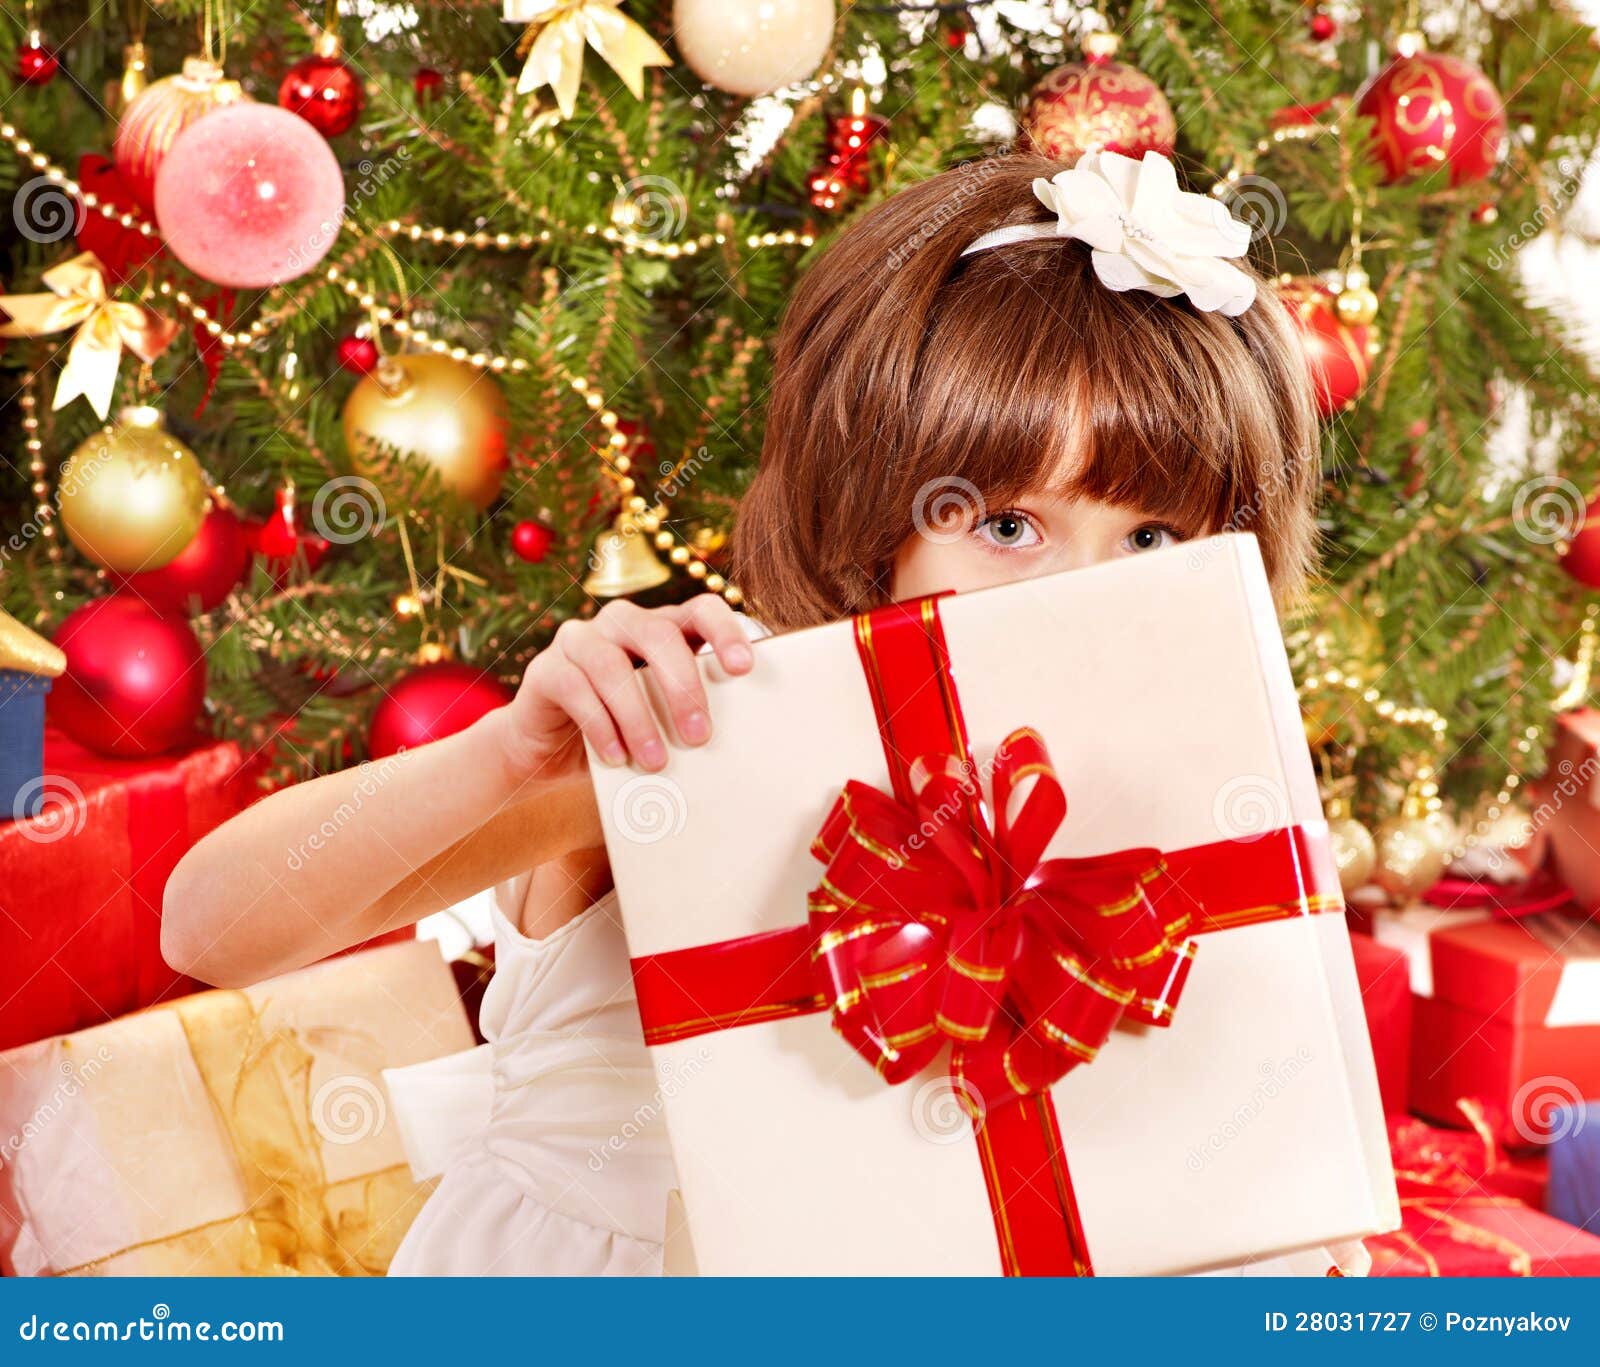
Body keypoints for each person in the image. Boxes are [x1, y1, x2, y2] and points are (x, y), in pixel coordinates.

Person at [163, 150, 1337, 1276]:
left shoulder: (1169, 777)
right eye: (1007, 526)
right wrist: (503, 758)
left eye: (1150, 538)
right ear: (880, 503)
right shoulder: (702, 732)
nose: (1078, 596)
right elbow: (208, 929)